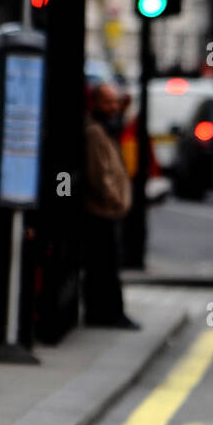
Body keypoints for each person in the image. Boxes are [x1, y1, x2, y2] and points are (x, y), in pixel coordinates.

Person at [83, 82, 139, 329]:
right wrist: (115, 199)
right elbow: (99, 175)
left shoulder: (105, 128)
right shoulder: (94, 132)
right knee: (103, 268)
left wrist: (123, 104)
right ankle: (105, 314)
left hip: (108, 210)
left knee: (108, 266)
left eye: (115, 102)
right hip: (101, 211)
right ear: (95, 103)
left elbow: (124, 117)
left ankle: (110, 313)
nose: (113, 107)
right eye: (107, 102)